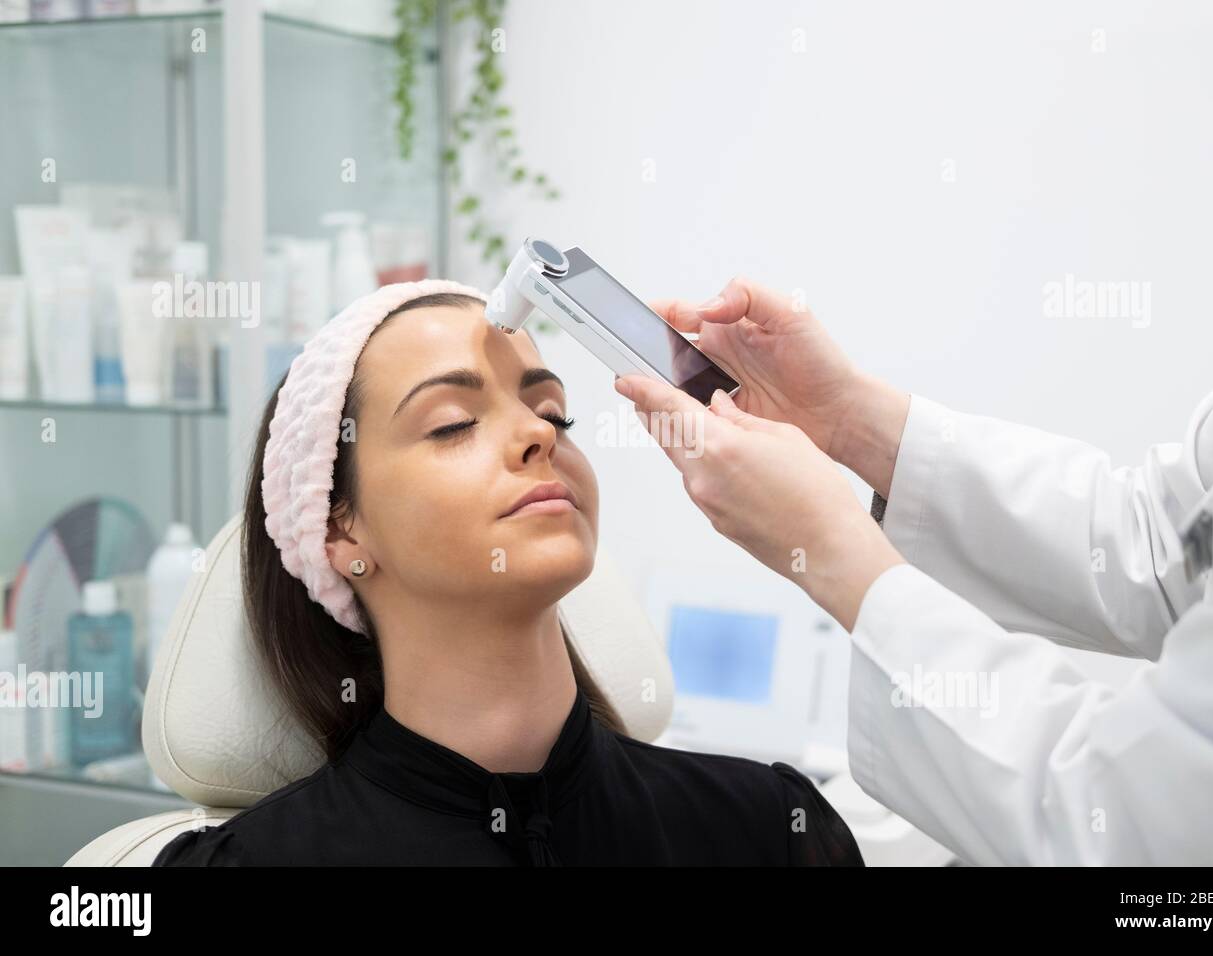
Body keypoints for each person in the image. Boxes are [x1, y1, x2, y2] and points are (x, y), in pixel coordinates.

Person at [613, 207, 1213, 865]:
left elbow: (1149, 828)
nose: (534, 440)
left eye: (553, 417)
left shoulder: (748, 819)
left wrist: (834, 552)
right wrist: (848, 420)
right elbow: (1167, 542)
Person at [152, 281, 863, 867]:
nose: (539, 433)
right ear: (339, 528)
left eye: (552, 410)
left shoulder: (770, 831)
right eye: (454, 422)